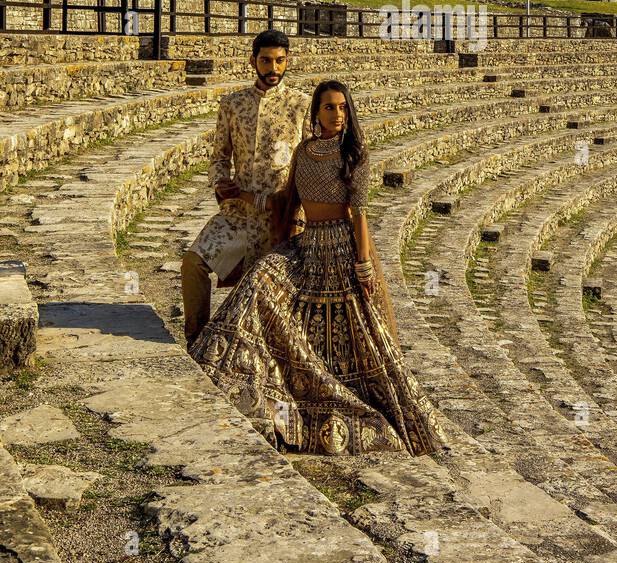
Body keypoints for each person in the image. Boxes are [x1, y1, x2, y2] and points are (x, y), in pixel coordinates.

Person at [189, 79, 447, 457]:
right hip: (307, 246)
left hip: (342, 249)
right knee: (260, 280)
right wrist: (257, 212)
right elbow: (289, 200)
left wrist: (362, 264)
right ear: (316, 112)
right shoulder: (305, 151)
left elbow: (358, 213)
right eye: (329, 107)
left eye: (342, 107)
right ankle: (230, 369)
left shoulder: (354, 154)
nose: (337, 114)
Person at [180, 30, 307, 349]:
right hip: (238, 214)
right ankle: (196, 338)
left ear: (287, 61)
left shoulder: (301, 105)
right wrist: (219, 182)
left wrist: (297, 213)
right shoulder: (233, 104)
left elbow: (307, 164)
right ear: (253, 61)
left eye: (279, 61)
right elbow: (219, 157)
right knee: (193, 263)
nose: (273, 68)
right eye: (266, 60)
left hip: (281, 219)